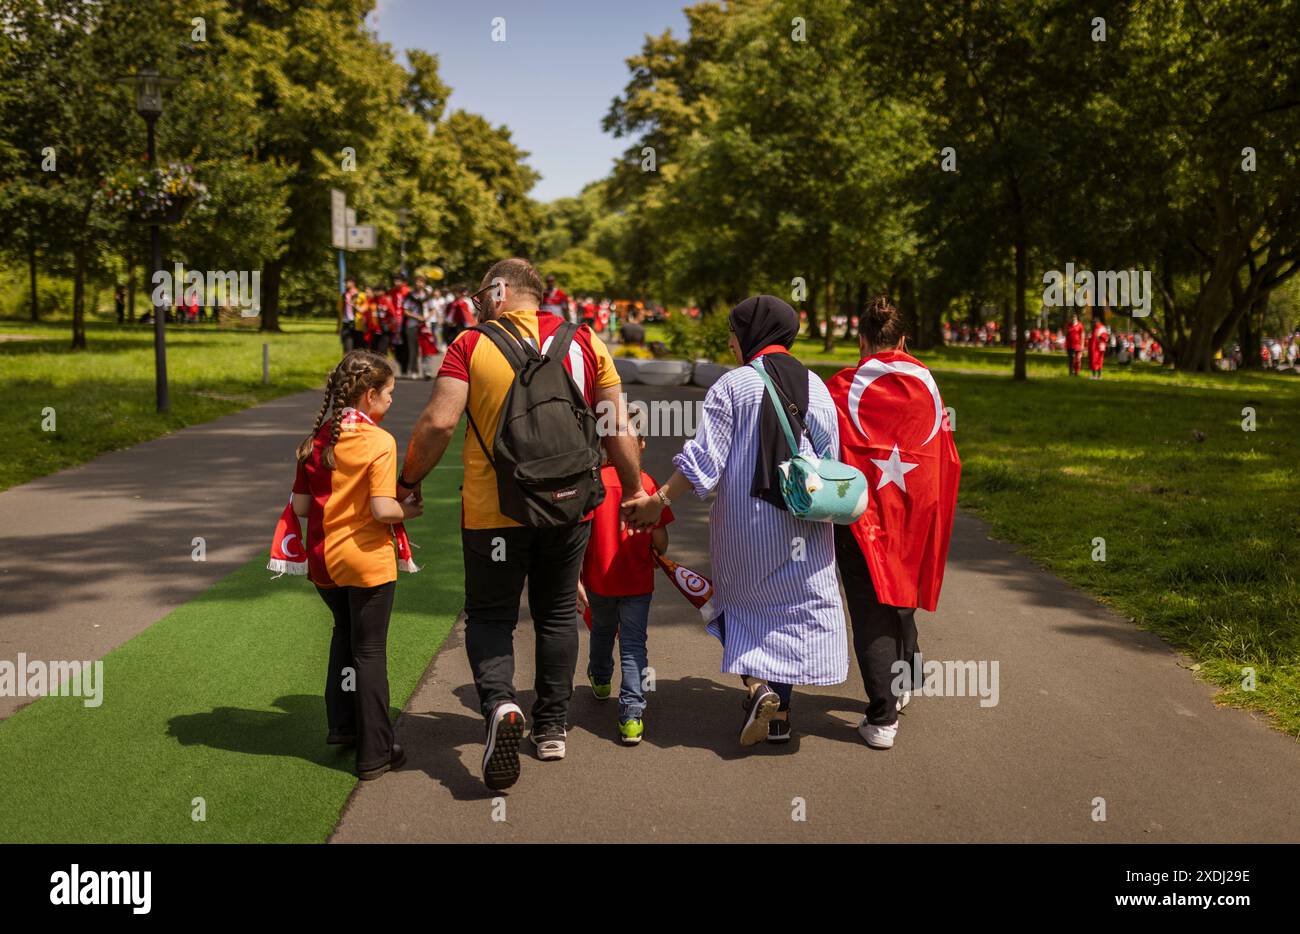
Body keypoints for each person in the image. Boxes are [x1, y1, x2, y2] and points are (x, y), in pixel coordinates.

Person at [395, 257, 641, 791]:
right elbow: (616, 422)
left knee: (490, 615)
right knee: (556, 613)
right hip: (568, 504)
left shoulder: (469, 345)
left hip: (493, 510)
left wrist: (408, 479)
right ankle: (552, 727)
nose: (477, 300)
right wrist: (636, 487)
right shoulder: (586, 341)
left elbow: (439, 422)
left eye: (482, 291)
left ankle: (502, 705)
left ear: (501, 291)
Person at [624, 295, 848, 747]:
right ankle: (780, 716)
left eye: (733, 331)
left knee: (738, 611)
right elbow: (833, 460)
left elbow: (704, 461)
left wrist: (657, 500)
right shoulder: (819, 387)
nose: (730, 341)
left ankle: (758, 687)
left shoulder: (733, 386)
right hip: (806, 524)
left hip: (747, 527)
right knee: (791, 614)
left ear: (752, 333)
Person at [824, 297, 961, 750]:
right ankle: (908, 675)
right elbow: (944, 448)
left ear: (860, 339)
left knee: (868, 608)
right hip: (917, 505)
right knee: (901, 588)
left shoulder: (840, 385)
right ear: (903, 340)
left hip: (860, 511)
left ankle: (882, 717)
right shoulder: (928, 384)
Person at [291, 350, 422, 780]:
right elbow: (384, 509)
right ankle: (376, 752)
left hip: (323, 560)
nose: (391, 401)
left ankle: (343, 727)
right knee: (369, 652)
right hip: (365, 560)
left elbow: (302, 506)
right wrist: (411, 512)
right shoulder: (379, 441)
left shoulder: (316, 441)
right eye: (389, 393)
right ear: (369, 396)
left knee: (342, 635)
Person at [577, 435, 672, 745]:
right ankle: (631, 716)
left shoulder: (592, 481)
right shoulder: (647, 483)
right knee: (633, 644)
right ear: (641, 445)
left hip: (599, 579)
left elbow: (580, 535)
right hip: (637, 580)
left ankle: (602, 679)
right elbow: (660, 540)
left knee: (602, 631)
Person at [401, 276, 430, 379]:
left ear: (424, 283)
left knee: (426, 348)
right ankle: (414, 370)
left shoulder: (427, 296)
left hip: (425, 326)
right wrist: (417, 317)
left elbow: (432, 309)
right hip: (412, 325)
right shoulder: (410, 296)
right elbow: (405, 311)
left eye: (421, 282)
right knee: (413, 349)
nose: (419, 284)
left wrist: (426, 317)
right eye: (417, 282)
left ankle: (426, 371)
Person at [341, 277, 360, 354]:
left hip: (357, 323)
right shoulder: (344, 295)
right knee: (347, 347)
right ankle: (347, 364)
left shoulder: (359, 294)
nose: (345, 284)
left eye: (346, 282)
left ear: (353, 283)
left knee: (358, 347)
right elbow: (342, 309)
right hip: (346, 323)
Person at [1089, 314, 1108, 379]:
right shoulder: (1096, 328)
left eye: (1094, 322)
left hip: (1098, 347)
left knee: (1097, 361)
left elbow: (1105, 337)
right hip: (1096, 347)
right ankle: (1096, 375)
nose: (1093, 324)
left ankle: (1097, 375)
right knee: (1096, 361)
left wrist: (1100, 339)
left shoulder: (1101, 328)